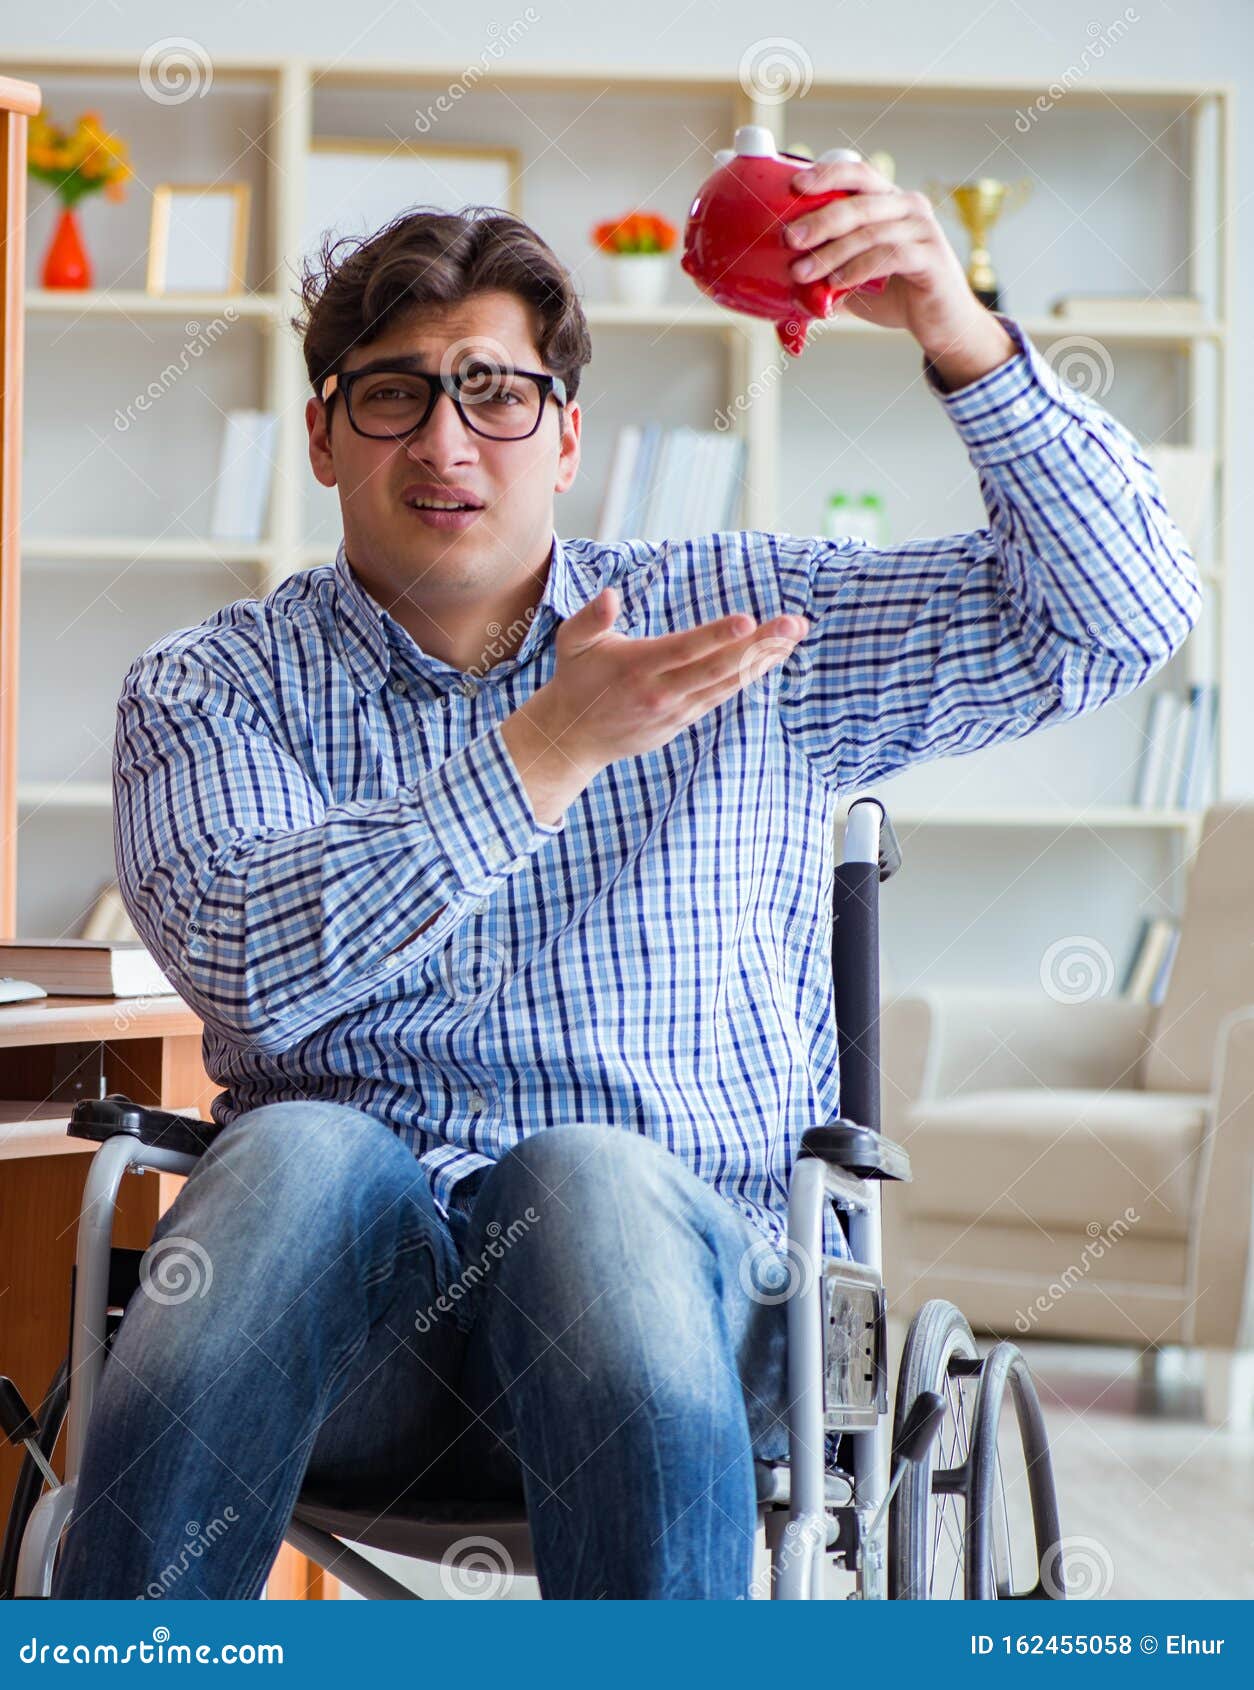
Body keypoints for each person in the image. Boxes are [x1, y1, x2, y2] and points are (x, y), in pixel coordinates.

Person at [53, 157, 1200, 1600]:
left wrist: (955, 331)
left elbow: (1119, 615)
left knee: (589, 1179)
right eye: (392, 391)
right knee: (294, 1151)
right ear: (323, 436)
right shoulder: (211, 689)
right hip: (353, 1350)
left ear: (567, 434)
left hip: (692, 1317)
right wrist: (541, 752)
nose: (446, 438)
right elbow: (250, 965)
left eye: (496, 391)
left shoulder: (736, 626)